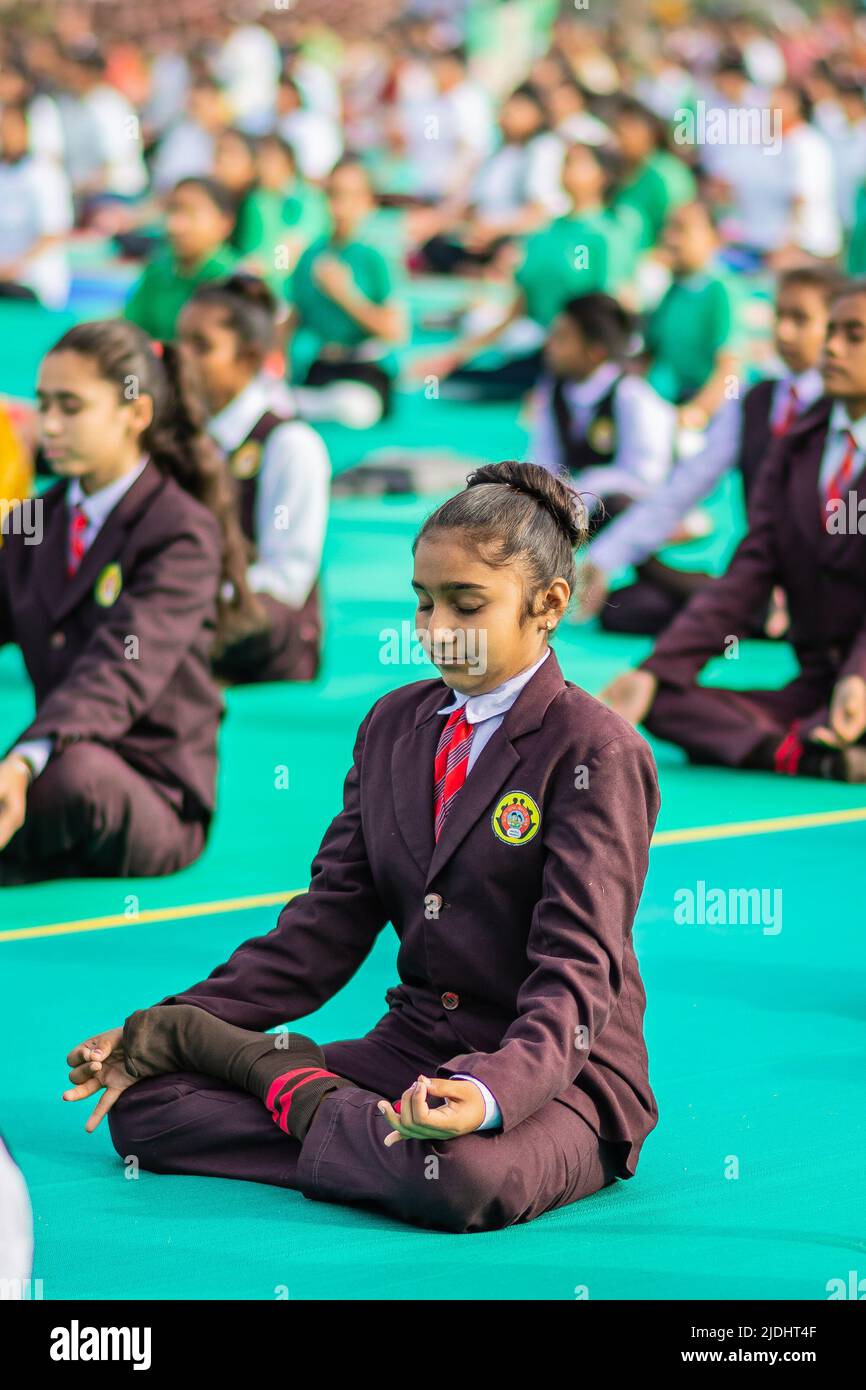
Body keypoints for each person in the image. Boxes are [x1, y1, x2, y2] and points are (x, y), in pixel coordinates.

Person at [63, 462, 661, 1236]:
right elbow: (323, 925)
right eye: (423, 601)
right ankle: (311, 1101)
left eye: (466, 604)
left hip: (559, 1076)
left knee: (463, 1179)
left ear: (548, 606)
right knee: (147, 1110)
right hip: (412, 1049)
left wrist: (487, 1095)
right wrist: (172, 1018)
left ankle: (283, 1087)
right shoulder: (392, 726)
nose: (436, 627)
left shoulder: (596, 750)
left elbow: (578, 976)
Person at [0, 319, 263, 883]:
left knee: (73, 777)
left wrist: (21, 761)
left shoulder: (181, 530)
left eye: (71, 407)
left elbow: (119, 669)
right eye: (42, 405)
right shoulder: (31, 518)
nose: (48, 425)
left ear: (135, 413)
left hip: (149, 790)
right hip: (50, 760)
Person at [600, 282, 866, 784]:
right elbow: (750, 571)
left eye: (854, 336)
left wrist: (859, 678)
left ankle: (818, 741)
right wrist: (656, 669)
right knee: (661, 702)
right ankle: (807, 753)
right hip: (821, 687)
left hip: (859, 680)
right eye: (832, 332)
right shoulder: (793, 441)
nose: (832, 348)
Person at [579, 266, 839, 633]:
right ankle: (748, 607)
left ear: (837, 329)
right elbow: (684, 487)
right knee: (626, 610)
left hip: (826, 573)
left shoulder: (845, 408)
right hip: (763, 571)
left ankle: (758, 607)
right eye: (780, 316)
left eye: (801, 320)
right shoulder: (755, 401)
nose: (783, 332)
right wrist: (605, 559)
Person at [178, 275, 330, 683]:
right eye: (179, 343)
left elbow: (288, 578)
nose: (182, 359)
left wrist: (192, 594)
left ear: (247, 358)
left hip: (259, 621)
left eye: (201, 347)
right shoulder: (181, 437)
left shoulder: (289, 443)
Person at [419, 142, 641, 402]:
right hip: (544, 349)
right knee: (454, 384)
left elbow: (613, 310)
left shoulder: (608, 235)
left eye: (577, 163)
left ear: (603, 176)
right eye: (565, 161)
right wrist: (454, 355)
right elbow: (519, 309)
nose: (565, 169)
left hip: (585, 358)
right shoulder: (543, 234)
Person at [530, 292, 674, 528]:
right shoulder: (553, 388)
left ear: (595, 351)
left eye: (562, 338)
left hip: (616, 502)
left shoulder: (632, 396)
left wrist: (578, 492)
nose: (549, 346)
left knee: (622, 506)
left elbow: (645, 478)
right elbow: (544, 458)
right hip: (576, 499)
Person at [287, 157, 405, 422]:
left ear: (368, 202)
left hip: (364, 370)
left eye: (351, 196)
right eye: (333, 194)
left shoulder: (377, 255)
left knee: (353, 407)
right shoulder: (310, 255)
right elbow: (292, 318)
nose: (339, 206)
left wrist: (344, 295)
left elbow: (395, 331)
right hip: (322, 366)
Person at [644, 201, 742, 419]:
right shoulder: (671, 291)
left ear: (713, 238)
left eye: (681, 229)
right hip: (672, 405)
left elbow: (731, 371)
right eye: (668, 228)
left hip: (710, 416)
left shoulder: (720, 291)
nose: (670, 238)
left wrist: (700, 413)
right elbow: (649, 355)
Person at [124, 178, 238, 341]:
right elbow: (131, 330)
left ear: (225, 223)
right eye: (172, 211)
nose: (175, 225)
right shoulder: (158, 271)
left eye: (192, 213)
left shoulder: (232, 281)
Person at [233, 135, 330, 291]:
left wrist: (271, 266)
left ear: (289, 163)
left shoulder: (311, 199)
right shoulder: (256, 201)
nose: (262, 167)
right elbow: (252, 248)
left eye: (270, 160)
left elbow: (299, 243)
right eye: (259, 160)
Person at [0, 103, 73, 308]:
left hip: (31, 282)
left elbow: (53, 232)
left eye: (10, 128)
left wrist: (13, 266)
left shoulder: (44, 174)